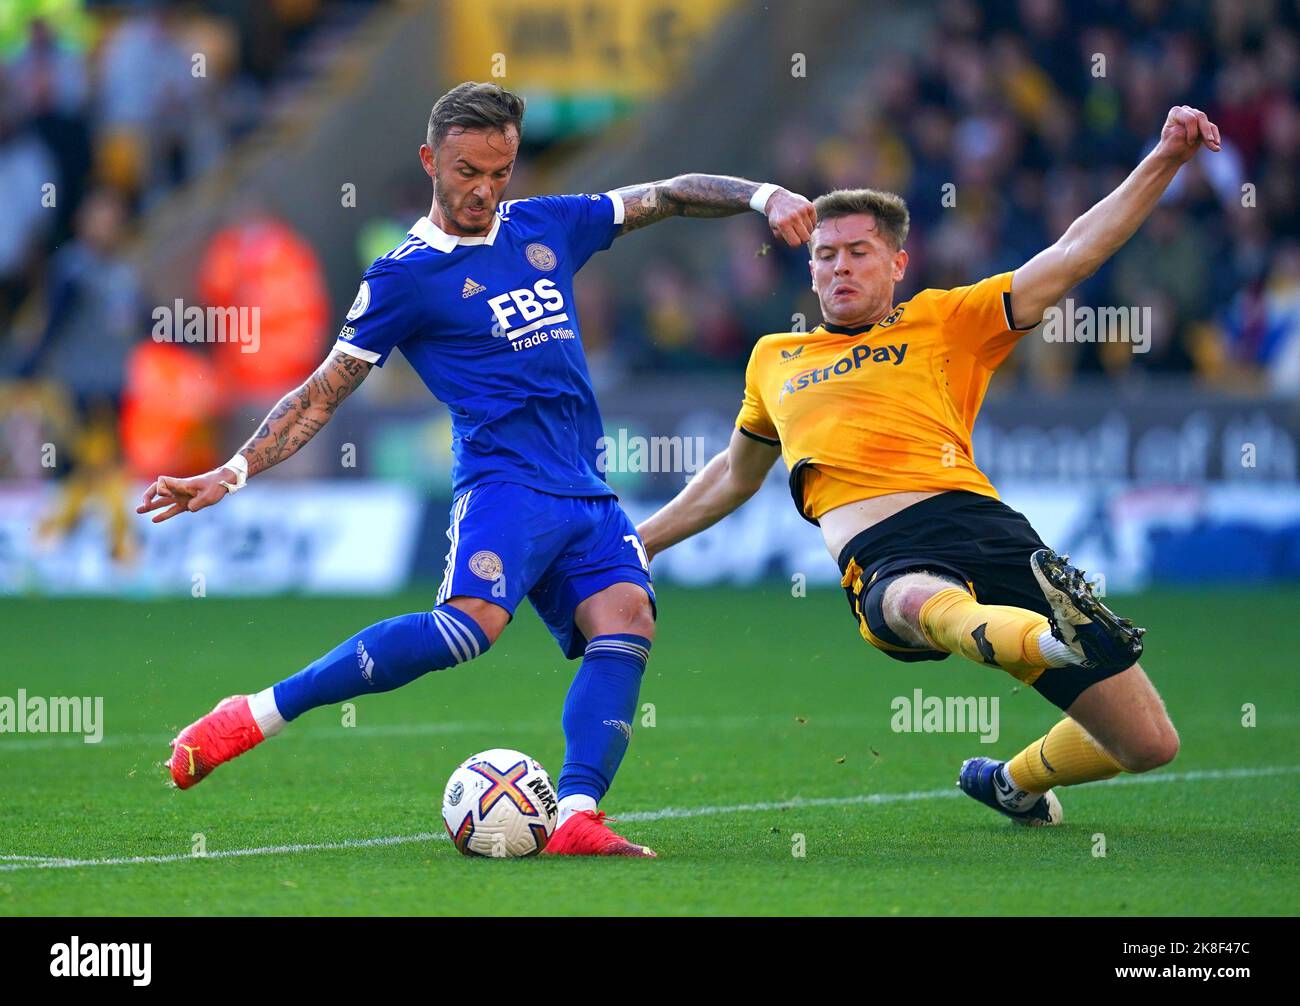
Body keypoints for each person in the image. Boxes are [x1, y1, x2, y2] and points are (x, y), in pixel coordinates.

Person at [137, 81, 816, 856]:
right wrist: (228, 474)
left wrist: (764, 194)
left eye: (501, 171)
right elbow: (322, 394)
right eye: (467, 172)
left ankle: (577, 817)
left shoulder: (546, 223)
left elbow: (665, 195)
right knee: (467, 631)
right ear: (432, 160)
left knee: (628, 617)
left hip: (585, 490)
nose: (485, 190)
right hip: (505, 485)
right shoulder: (403, 276)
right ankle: (256, 713)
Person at [637, 105, 1222, 826]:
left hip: (987, 527)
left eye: (858, 251)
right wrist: (642, 542)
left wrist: (1164, 156)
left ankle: (1013, 781)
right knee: (918, 606)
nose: (839, 266)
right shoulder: (773, 359)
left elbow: (1074, 252)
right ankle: (1053, 638)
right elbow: (733, 476)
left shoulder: (949, 319)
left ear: (896, 263)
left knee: (1148, 745)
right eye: (825, 254)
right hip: (883, 551)